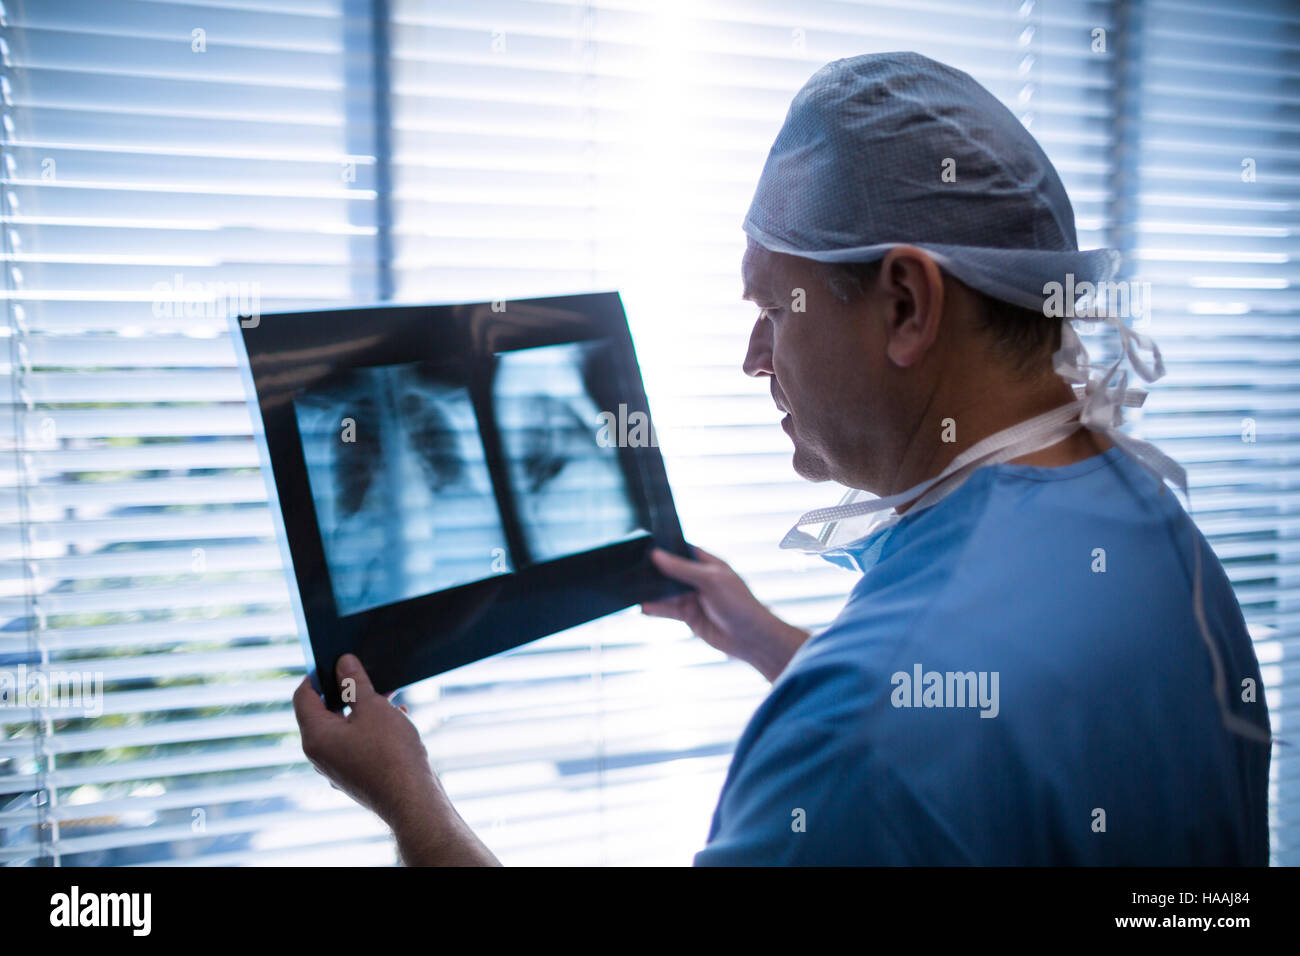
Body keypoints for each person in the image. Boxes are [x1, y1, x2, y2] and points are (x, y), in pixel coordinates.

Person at [293, 52, 1272, 865]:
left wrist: (411, 803)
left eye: (774, 308)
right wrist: (769, 640)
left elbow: (887, 740)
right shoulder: (1150, 530)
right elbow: (1009, 738)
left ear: (905, 304)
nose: (754, 356)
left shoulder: (857, 733)